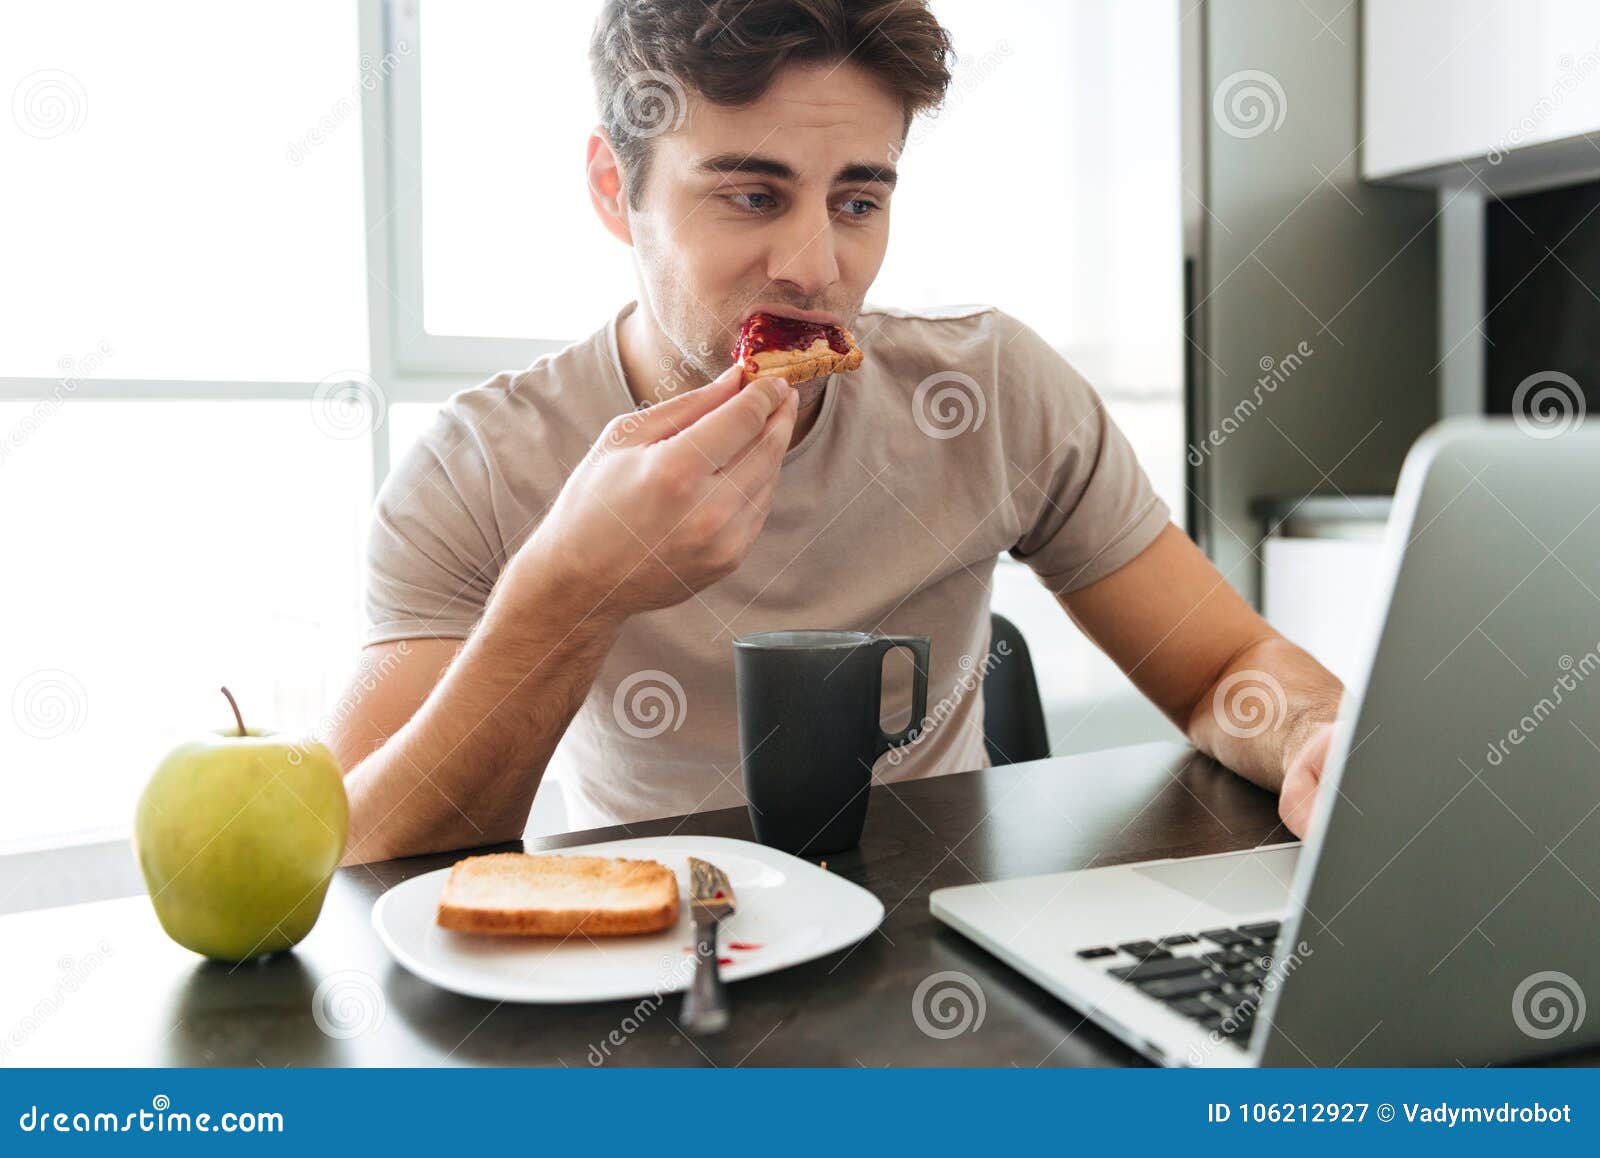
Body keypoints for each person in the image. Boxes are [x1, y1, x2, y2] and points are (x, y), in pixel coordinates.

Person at [330, 0, 1341, 865]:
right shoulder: (478, 466)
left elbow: (1224, 668)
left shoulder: (992, 392)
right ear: (613, 189)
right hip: (655, 967)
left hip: (948, 953)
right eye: (751, 196)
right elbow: (360, 852)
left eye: (856, 201)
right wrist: (572, 585)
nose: (814, 269)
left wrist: (1314, 738)